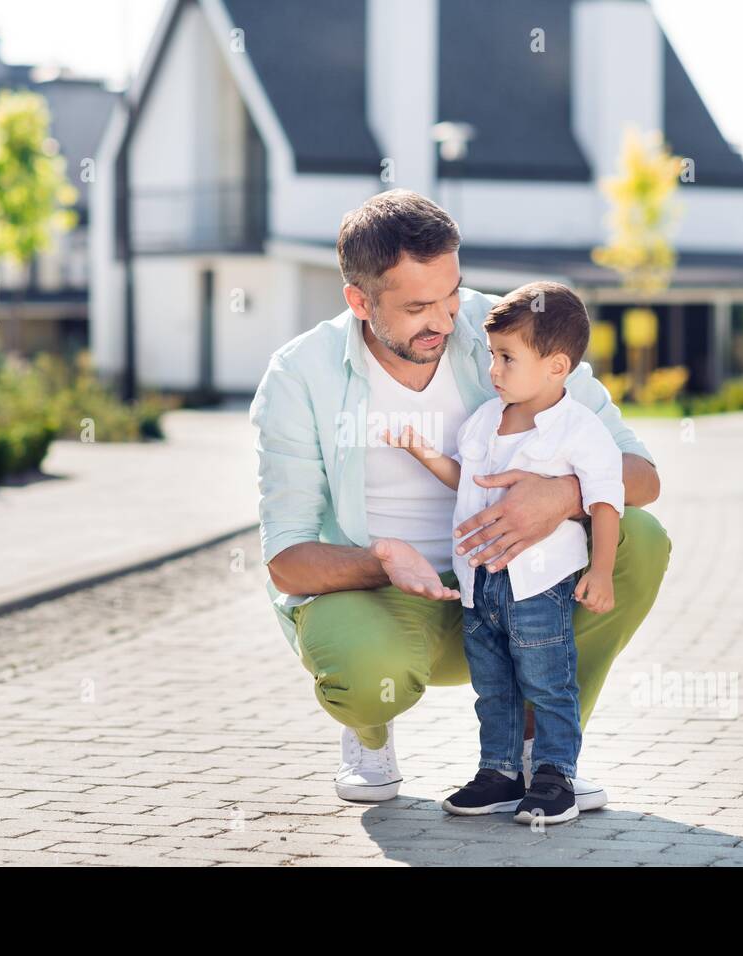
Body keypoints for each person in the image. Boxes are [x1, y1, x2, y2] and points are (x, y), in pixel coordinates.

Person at [248, 189, 671, 806]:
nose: (447, 321)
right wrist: (382, 561)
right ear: (360, 301)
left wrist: (562, 496)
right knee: (368, 678)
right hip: (382, 599)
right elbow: (287, 558)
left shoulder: (506, 327)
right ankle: (369, 735)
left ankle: (540, 752)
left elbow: (642, 475)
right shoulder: (298, 376)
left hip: (516, 587)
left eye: (451, 294)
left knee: (641, 538)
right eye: (419, 306)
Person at [383, 281, 624, 824]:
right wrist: (421, 452)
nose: (493, 369)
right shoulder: (487, 419)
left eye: (507, 358)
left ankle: (555, 776)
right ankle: (499, 772)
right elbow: (464, 476)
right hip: (480, 585)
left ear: (557, 366)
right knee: (492, 686)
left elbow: (608, 499)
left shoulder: (579, 429)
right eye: (492, 355)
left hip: (538, 585)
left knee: (547, 681)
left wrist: (602, 571)